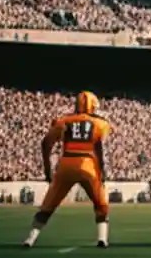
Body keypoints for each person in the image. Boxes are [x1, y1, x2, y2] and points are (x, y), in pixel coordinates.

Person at [22, 91, 113, 249]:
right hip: (88, 165)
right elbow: (99, 147)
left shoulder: (63, 120)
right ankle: (102, 238)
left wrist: (47, 169)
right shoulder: (100, 123)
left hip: (66, 164)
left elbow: (46, 143)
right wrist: (102, 170)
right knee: (101, 203)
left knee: (48, 205)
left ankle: (30, 239)